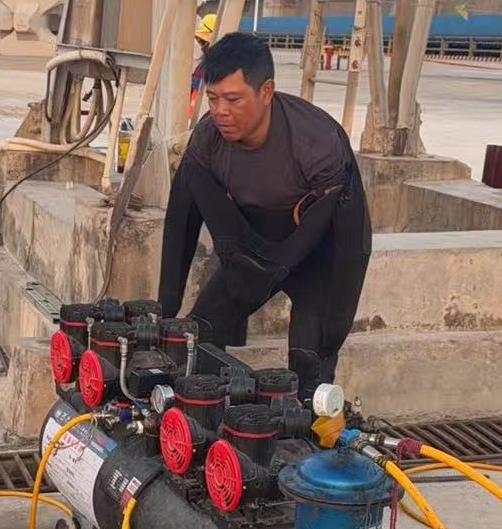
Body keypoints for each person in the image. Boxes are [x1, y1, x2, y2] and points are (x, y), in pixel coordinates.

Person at [158, 31, 371, 398]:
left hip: (319, 256)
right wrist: (165, 308)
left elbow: (352, 244)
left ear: (266, 92)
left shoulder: (317, 142)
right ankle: (211, 419)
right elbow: (181, 221)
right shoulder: (208, 139)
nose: (220, 111)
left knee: (310, 367)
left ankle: (312, 421)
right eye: (213, 98)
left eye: (233, 99)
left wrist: (333, 332)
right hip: (256, 248)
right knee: (195, 340)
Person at [189, 11, 216, 122]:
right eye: (200, 41)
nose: (202, 45)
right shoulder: (203, 65)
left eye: (203, 42)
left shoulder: (220, 67)